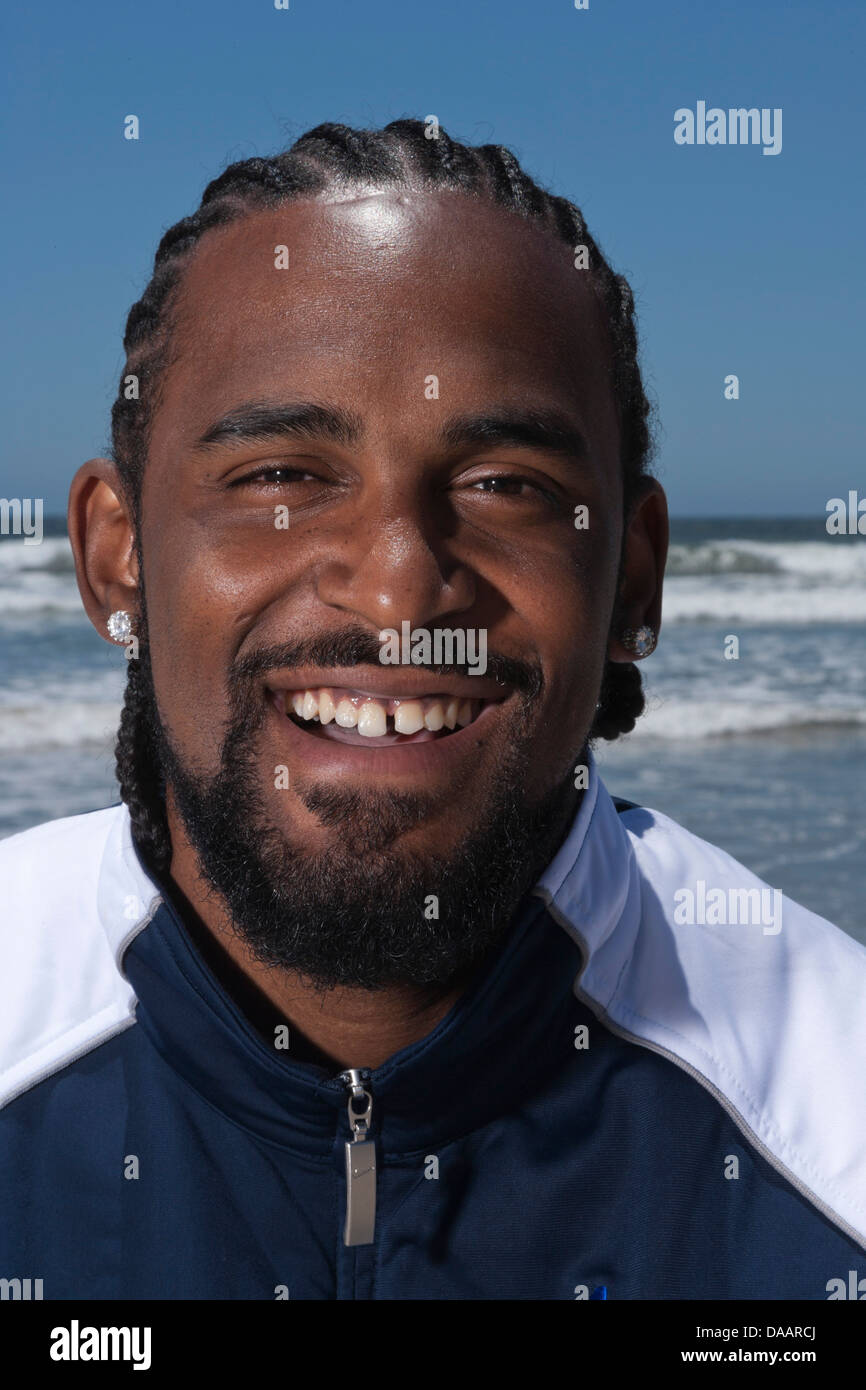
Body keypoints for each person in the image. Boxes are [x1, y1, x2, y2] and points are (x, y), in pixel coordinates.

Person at [2, 120, 864, 1301]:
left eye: (504, 486)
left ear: (633, 579)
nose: (401, 584)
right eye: (281, 476)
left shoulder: (832, 1136)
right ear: (117, 558)